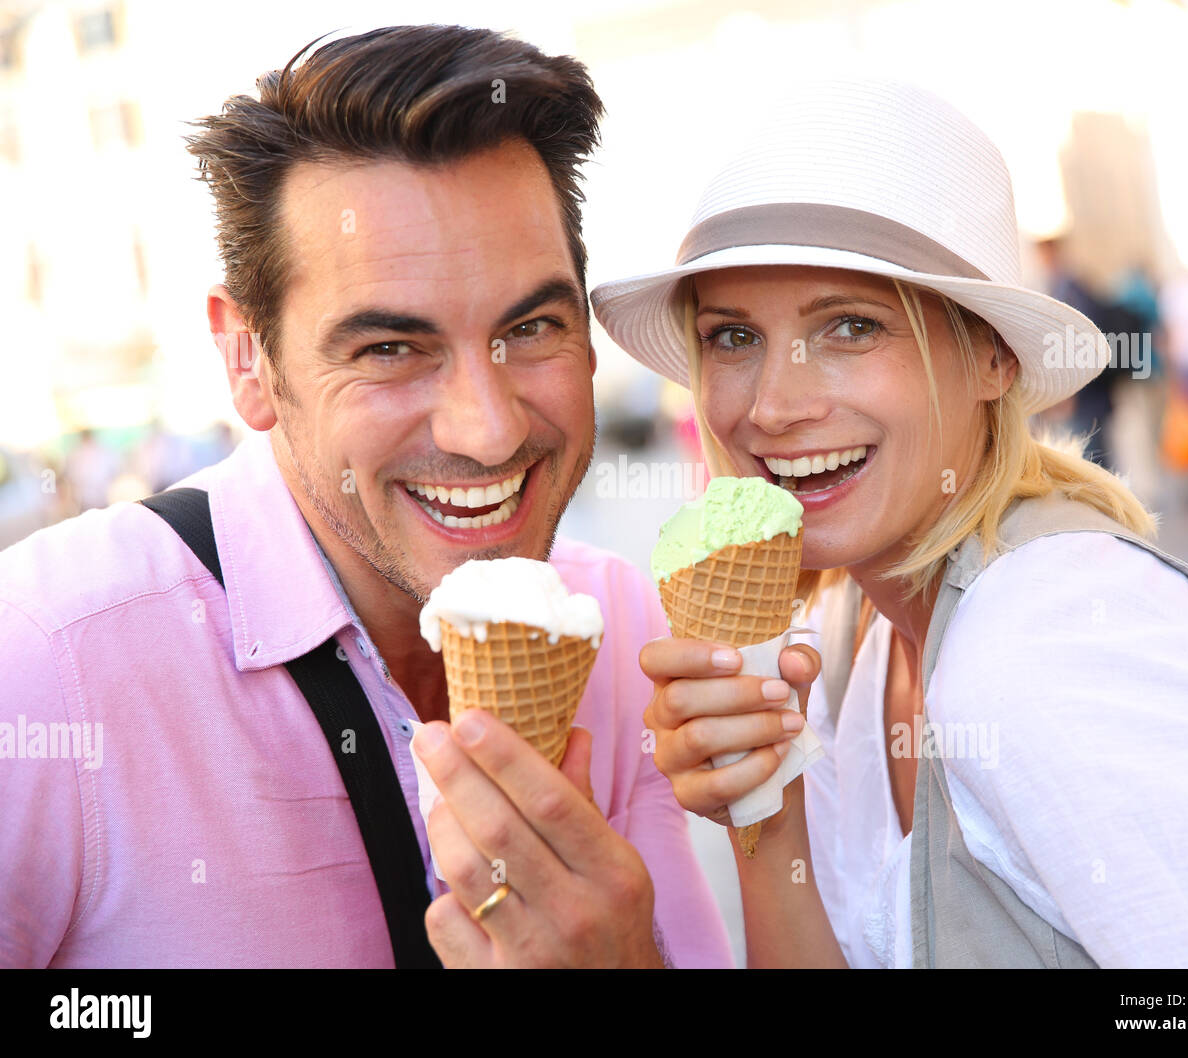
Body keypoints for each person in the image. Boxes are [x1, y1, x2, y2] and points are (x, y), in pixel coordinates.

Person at [0, 25, 730, 969]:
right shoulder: (46, 658)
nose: (489, 428)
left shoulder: (621, 623)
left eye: (532, 326)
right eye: (390, 349)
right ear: (246, 358)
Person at [592, 80, 1188, 968]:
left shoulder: (1049, 640)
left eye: (850, 327)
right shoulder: (850, 626)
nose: (771, 406)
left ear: (993, 357)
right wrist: (762, 811)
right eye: (733, 338)